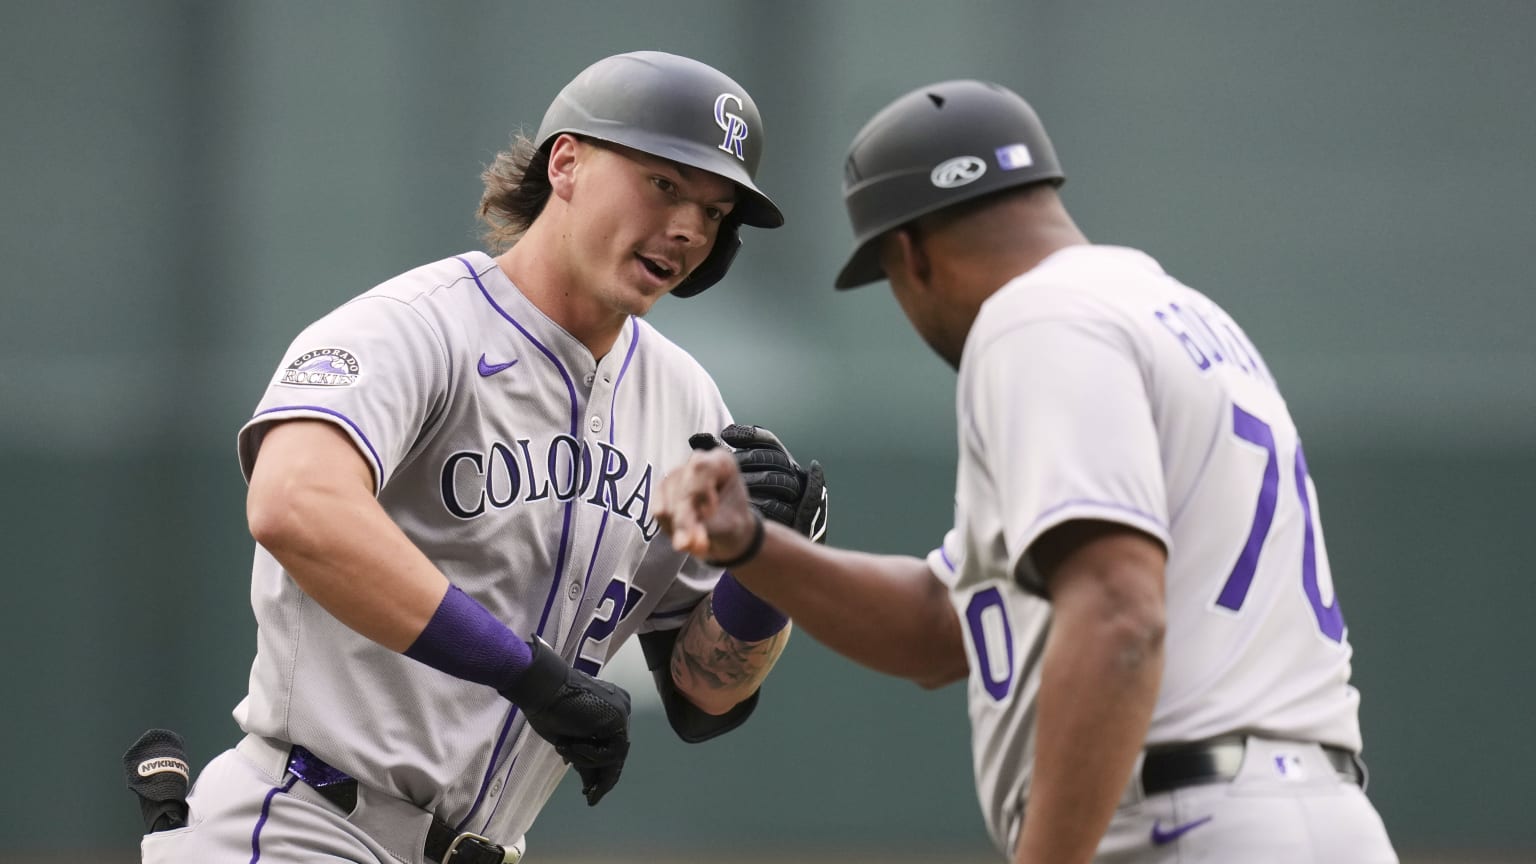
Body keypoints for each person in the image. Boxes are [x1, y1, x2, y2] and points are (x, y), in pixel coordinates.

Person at [657, 79, 1398, 863]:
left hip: (1181, 821)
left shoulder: (1036, 319)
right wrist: (754, 549)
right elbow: (945, 627)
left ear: (908, 252)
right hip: (1319, 814)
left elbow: (1119, 612)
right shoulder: (1182, 317)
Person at [136, 50, 823, 864]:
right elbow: (294, 506)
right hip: (306, 825)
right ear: (565, 162)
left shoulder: (687, 402)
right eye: (664, 184)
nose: (687, 228)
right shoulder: (414, 328)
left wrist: (767, 568)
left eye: (714, 211)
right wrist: (523, 671)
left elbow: (705, 695)